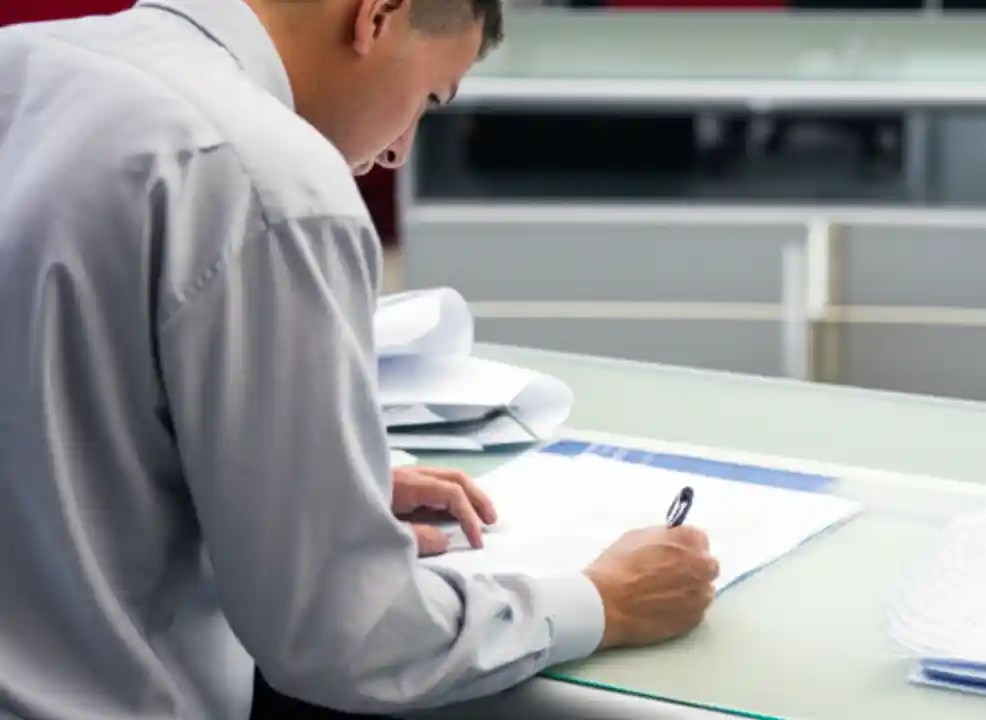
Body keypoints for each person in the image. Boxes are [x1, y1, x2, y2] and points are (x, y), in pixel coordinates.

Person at [0, 1, 721, 718]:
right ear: (377, 16)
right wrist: (601, 599)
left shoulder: (26, 61)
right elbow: (348, 639)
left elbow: (58, 400)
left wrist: (301, 482)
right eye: (429, 99)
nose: (402, 147)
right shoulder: (268, 178)